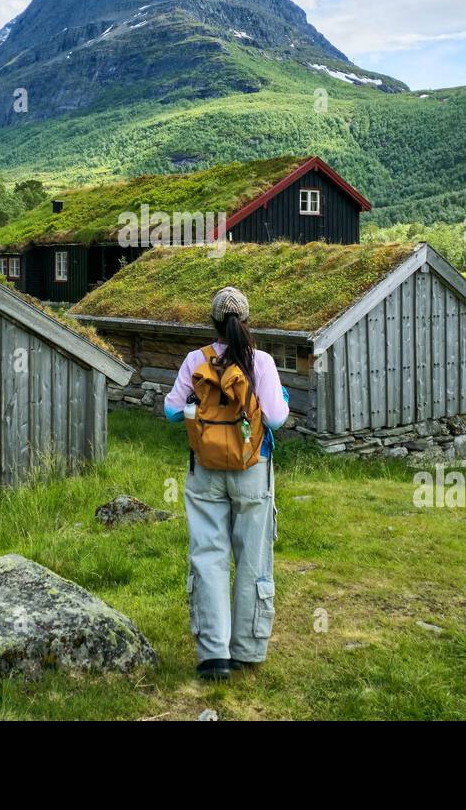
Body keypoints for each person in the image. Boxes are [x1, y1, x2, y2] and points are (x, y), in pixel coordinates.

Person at [164, 286, 289, 681]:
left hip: (205, 469)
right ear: (246, 322)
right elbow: (275, 418)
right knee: (252, 556)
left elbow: (170, 410)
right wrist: (280, 395)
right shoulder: (262, 361)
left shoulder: (194, 360)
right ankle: (248, 648)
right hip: (253, 467)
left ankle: (214, 655)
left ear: (213, 323)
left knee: (208, 555)